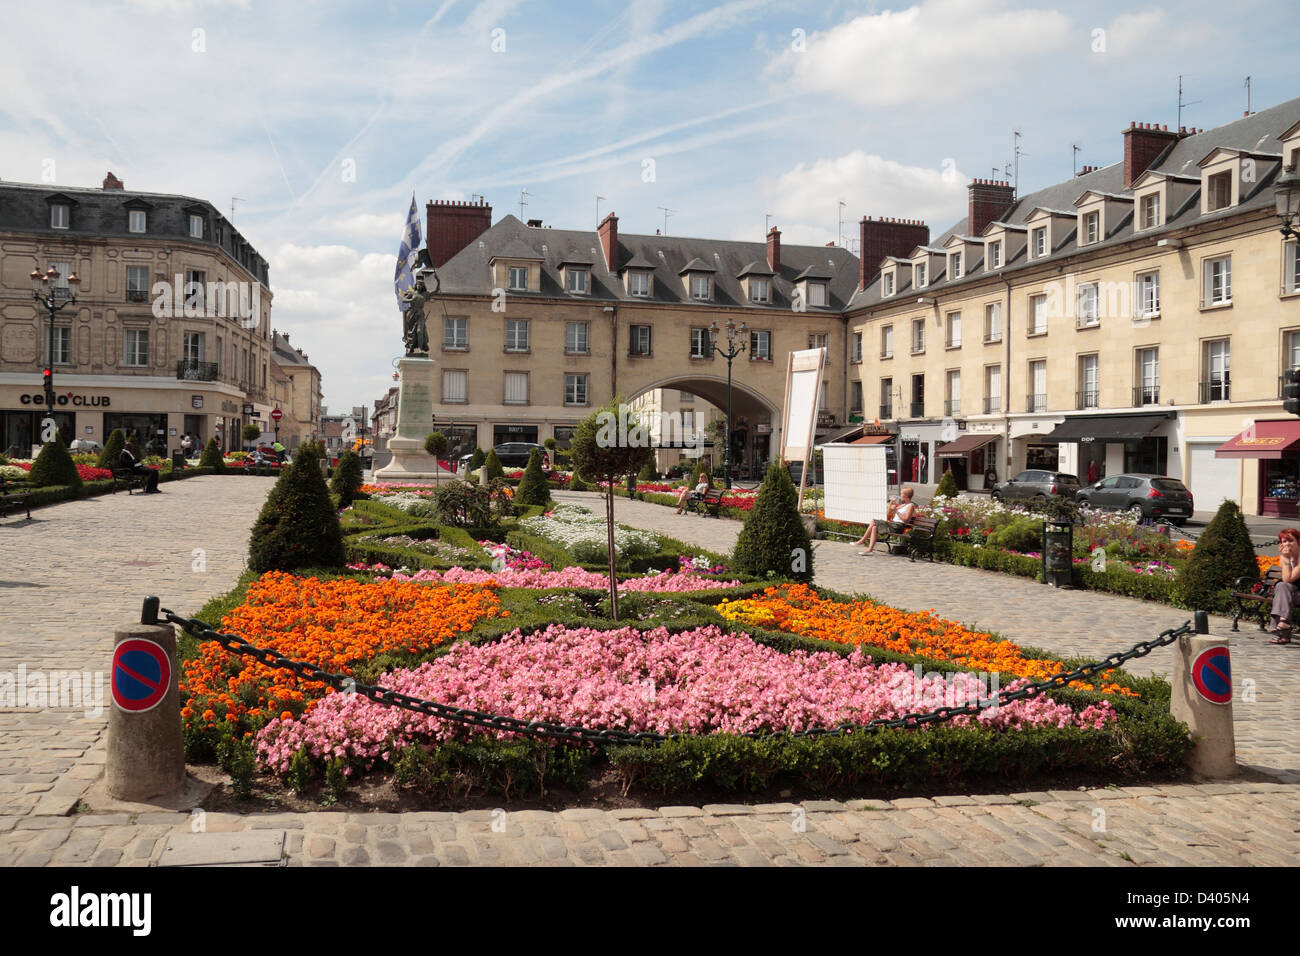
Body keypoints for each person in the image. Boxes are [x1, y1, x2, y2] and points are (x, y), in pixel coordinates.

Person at [853, 486, 916, 553]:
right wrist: (891, 504)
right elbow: (888, 515)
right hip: (893, 524)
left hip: (898, 526)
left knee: (873, 521)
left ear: (906, 495)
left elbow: (906, 520)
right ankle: (870, 550)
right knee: (874, 527)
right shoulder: (902, 505)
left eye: (901, 494)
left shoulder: (910, 506)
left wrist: (896, 511)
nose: (900, 495)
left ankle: (862, 541)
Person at [1269, 528, 1300, 643]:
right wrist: (1286, 558)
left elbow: (1288, 579)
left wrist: (1286, 559)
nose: (1287, 544)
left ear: (1298, 542)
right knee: (1282, 588)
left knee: (1283, 588)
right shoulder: (1285, 556)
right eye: (1284, 541)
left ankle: (1283, 632)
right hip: (1292, 593)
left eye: (1290, 541)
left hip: (1295, 593)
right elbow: (1286, 582)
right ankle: (1284, 623)